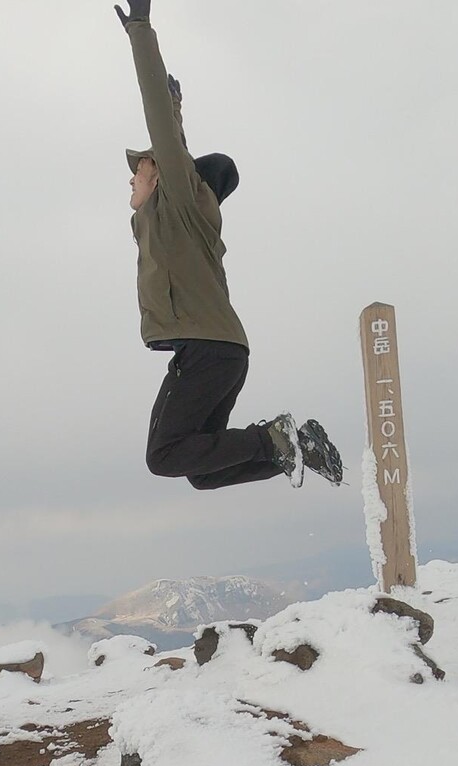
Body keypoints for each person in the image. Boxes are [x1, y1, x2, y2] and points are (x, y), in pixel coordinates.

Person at [115, 0, 342, 490]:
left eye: (138, 170)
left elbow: (163, 133)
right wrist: (177, 111)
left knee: (164, 455)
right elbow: (171, 137)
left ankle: (275, 440)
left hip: (208, 352)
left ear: (164, 177)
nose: (131, 179)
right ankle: (296, 447)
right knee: (200, 472)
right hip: (218, 351)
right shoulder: (181, 223)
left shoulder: (181, 206)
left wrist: (140, 29)